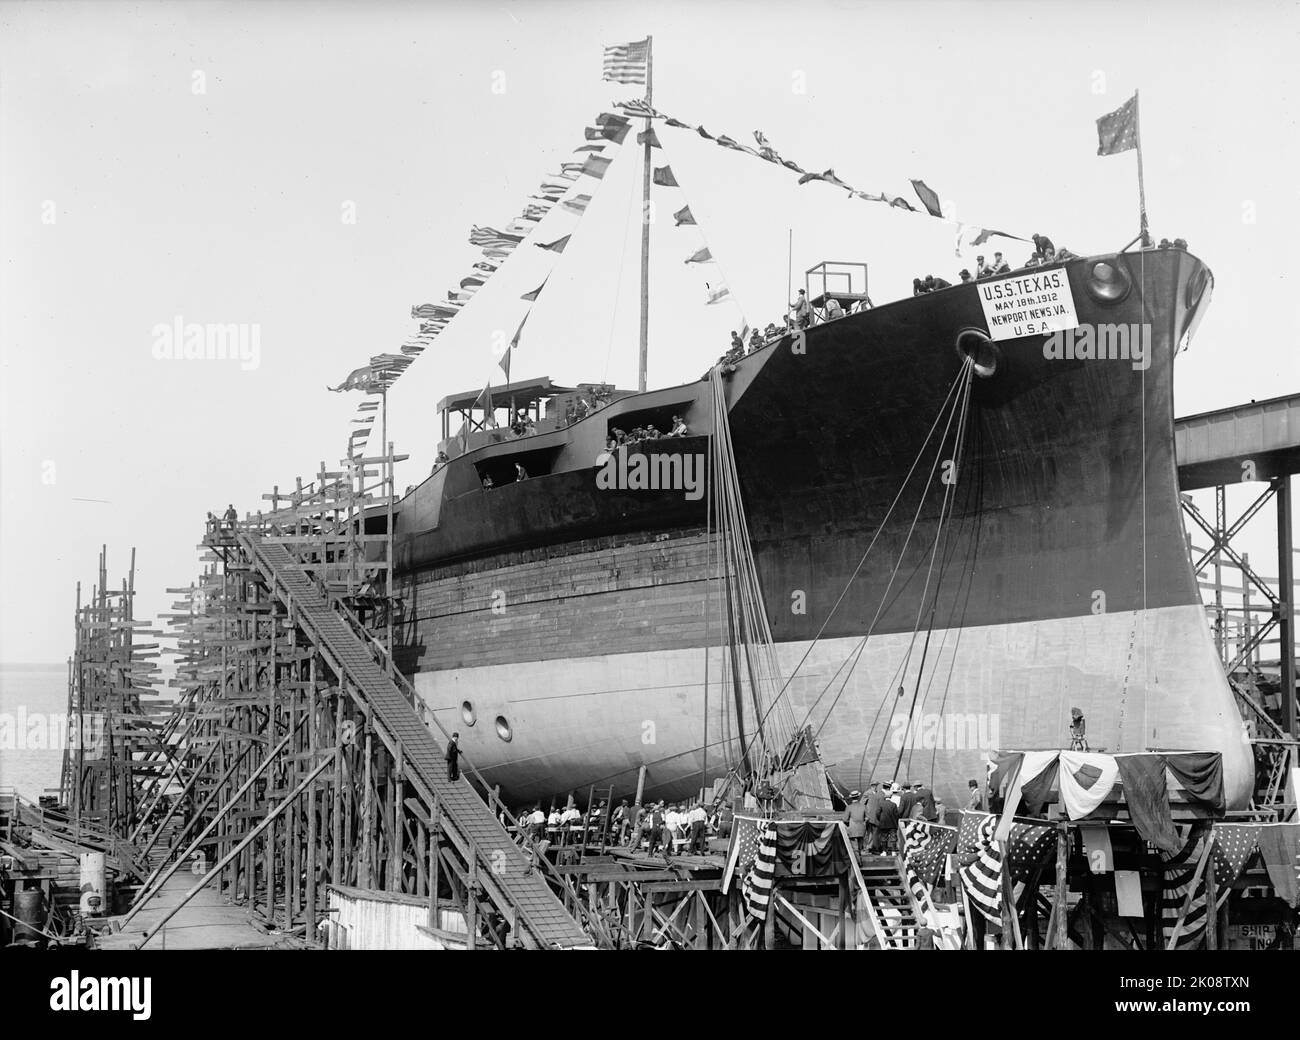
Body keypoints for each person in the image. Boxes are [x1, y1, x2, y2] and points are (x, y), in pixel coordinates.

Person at [844, 790, 869, 857]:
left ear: (851, 798)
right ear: (858, 797)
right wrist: (863, 822)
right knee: (860, 848)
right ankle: (860, 860)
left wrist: (849, 825)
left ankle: (858, 863)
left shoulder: (849, 807)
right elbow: (867, 818)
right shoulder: (864, 806)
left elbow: (845, 819)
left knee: (855, 848)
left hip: (852, 829)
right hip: (862, 829)